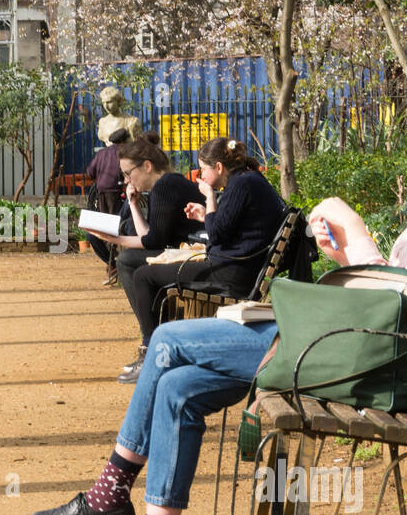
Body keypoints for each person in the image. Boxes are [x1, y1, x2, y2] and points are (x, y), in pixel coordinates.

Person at [28, 72, 407, 515]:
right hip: (356, 342)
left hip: (370, 361)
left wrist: (353, 227)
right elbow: (389, 283)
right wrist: (342, 252)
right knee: (178, 389)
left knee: (168, 342)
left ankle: (109, 494)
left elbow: (402, 299)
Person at [117, 136, 286, 373]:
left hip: (231, 271)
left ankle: (153, 353)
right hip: (237, 265)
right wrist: (206, 213)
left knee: (144, 276)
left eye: (203, 169)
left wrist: (209, 198)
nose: (200, 175)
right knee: (146, 272)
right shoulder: (247, 180)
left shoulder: (241, 184)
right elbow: (224, 228)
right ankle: (161, 347)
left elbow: (216, 234)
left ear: (218, 167)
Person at [86, 138, 205, 382]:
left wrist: (114, 238)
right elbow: (149, 237)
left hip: (193, 258)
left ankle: (151, 346)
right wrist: (132, 203)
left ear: (147, 166)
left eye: (128, 173)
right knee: (129, 260)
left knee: (128, 261)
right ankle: (152, 342)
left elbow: (153, 242)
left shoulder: (165, 186)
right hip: (184, 253)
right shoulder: (165, 185)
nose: (127, 180)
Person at [85, 126, 132, 285]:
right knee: (115, 227)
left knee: (103, 229)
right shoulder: (124, 152)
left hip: (101, 196)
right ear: (124, 141)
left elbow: (90, 173)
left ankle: (112, 264)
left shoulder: (102, 153)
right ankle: (115, 265)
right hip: (117, 194)